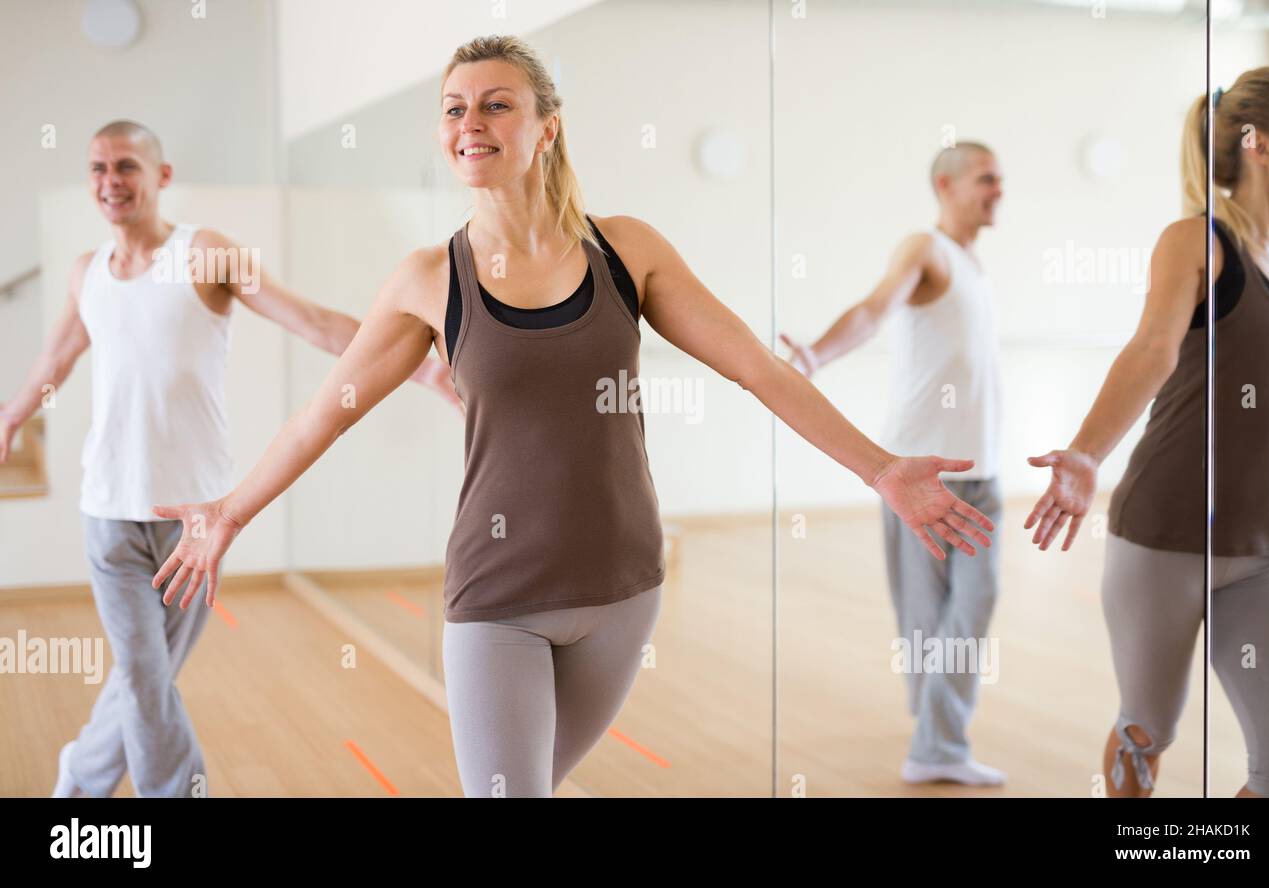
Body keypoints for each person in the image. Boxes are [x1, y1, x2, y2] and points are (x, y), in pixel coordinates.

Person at [148, 35, 996, 799]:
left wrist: (880, 468)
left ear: (546, 127)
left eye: (495, 104)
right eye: (453, 109)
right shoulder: (426, 280)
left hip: (625, 592)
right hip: (498, 599)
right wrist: (228, 511)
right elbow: (319, 418)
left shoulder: (629, 252)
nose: (468, 123)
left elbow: (760, 372)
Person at [0, 120, 455, 799]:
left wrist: (418, 367)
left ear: (162, 176)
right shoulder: (85, 272)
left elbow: (310, 320)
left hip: (197, 520)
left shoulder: (206, 253)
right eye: (98, 168)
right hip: (108, 511)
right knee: (143, 675)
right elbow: (57, 358)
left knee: (144, 677)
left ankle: (78, 776)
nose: (110, 181)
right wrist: (10, 417)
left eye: (126, 166)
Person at [1027, 69, 1269, 798]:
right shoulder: (1197, 243)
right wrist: (1085, 454)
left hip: (1263, 550)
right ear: (1260, 145)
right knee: (1150, 731)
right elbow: (1152, 350)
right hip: (1161, 538)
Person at [779, 142, 1006, 786]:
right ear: (946, 183)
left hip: (983, 474)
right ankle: (937, 742)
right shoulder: (924, 249)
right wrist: (817, 355)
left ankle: (935, 734)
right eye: (987, 180)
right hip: (924, 477)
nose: (998, 191)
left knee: (970, 608)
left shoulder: (973, 266)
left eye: (1001, 181)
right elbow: (874, 310)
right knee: (929, 618)